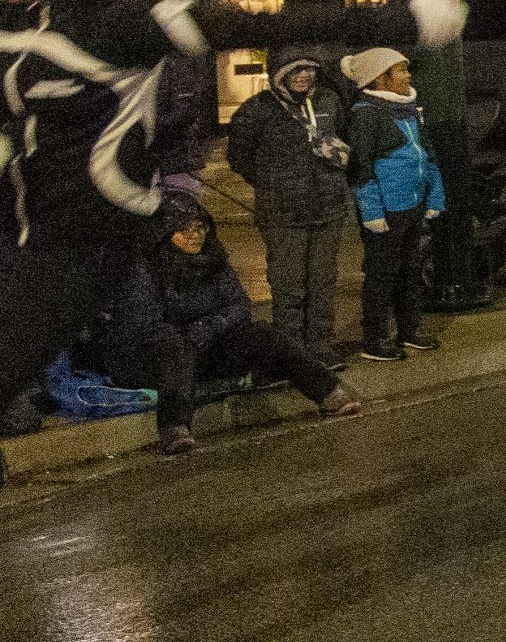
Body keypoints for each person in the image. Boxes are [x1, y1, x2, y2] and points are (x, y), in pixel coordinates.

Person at [0, 0, 461, 418]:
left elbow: (266, 24)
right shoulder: (14, 24)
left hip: (82, 247)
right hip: (16, 238)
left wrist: (404, 22)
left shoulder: (118, 25)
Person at [88, 197, 361, 454]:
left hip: (201, 345)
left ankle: (328, 391)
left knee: (259, 334)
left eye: (199, 227)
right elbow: (144, 326)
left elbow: (238, 306)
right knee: (173, 346)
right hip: (148, 359)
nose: (194, 235)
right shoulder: (145, 270)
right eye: (183, 230)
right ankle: (174, 427)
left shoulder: (213, 260)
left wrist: (208, 327)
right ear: (164, 233)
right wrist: (190, 334)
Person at [224, 54, 353, 366]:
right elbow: (239, 157)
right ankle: (291, 354)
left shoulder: (329, 101)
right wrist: (273, 182)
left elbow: (346, 140)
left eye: (309, 69)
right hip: (282, 213)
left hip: (328, 208)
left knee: (323, 282)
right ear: (280, 73)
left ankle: (321, 346)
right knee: (289, 285)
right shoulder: (258, 109)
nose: (304, 75)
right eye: (296, 69)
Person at [342, 48, 446, 362]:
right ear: (381, 78)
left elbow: (425, 155)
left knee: (411, 270)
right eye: (401, 70)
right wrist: (372, 213)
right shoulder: (368, 114)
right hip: (387, 211)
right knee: (382, 274)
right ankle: (374, 339)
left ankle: (408, 331)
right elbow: (362, 168)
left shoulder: (408, 108)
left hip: (412, 205)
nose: (408, 75)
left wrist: (435, 195)